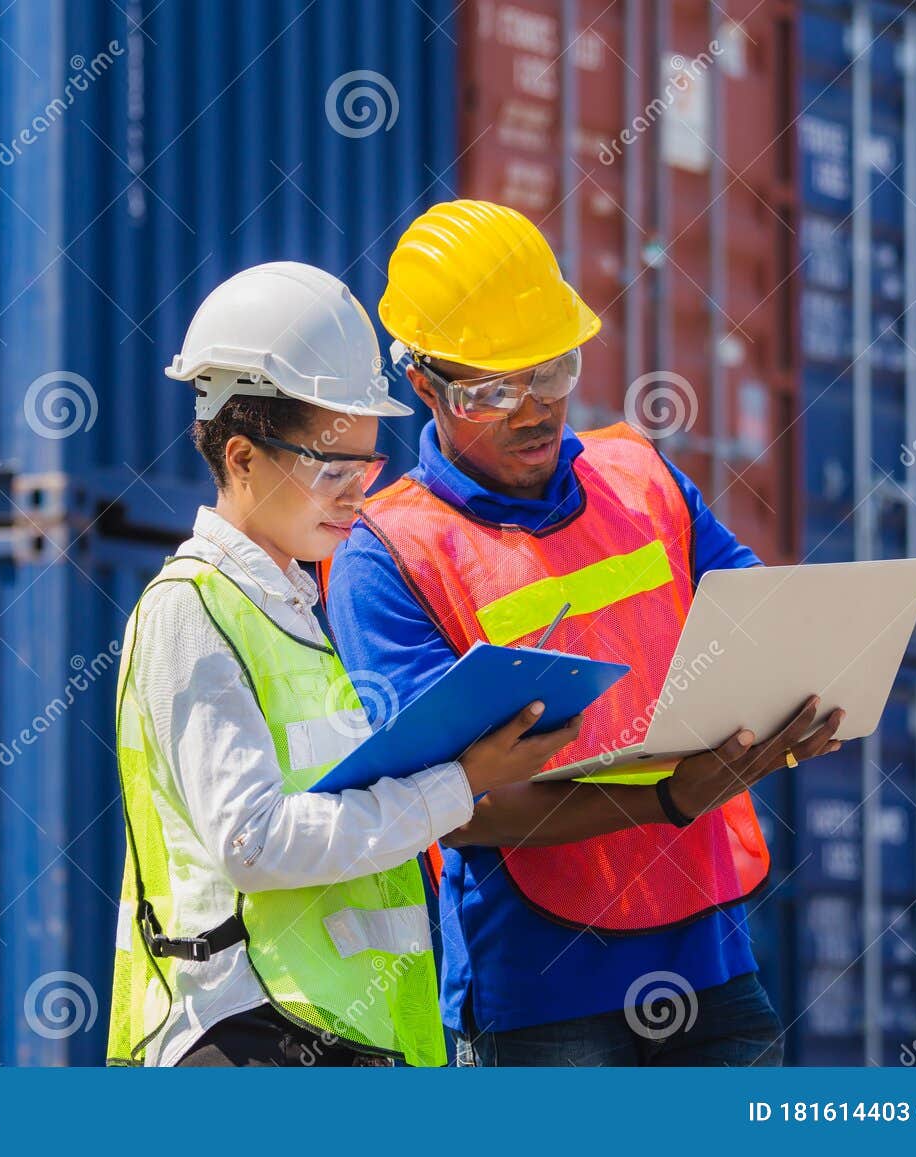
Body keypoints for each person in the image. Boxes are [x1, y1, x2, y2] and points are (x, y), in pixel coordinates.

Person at [326, 201, 846, 1067]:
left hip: (712, 957)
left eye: (552, 369)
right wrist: (671, 799)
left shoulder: (641, 477)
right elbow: (456, 806)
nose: (533, 408)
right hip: (541, 995)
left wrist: (798, 702)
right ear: (423, 383)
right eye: (493, 389)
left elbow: (760, 621)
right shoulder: (388, 555)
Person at [105, 261, 580, 1068]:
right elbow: (252, 841)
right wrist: (457, 784)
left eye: (366, 468)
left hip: (338, 1039)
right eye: (332, 470)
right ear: (244, 457)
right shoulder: (191, 607)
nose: (357, 495)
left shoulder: (295, 615)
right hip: (244, 1036)